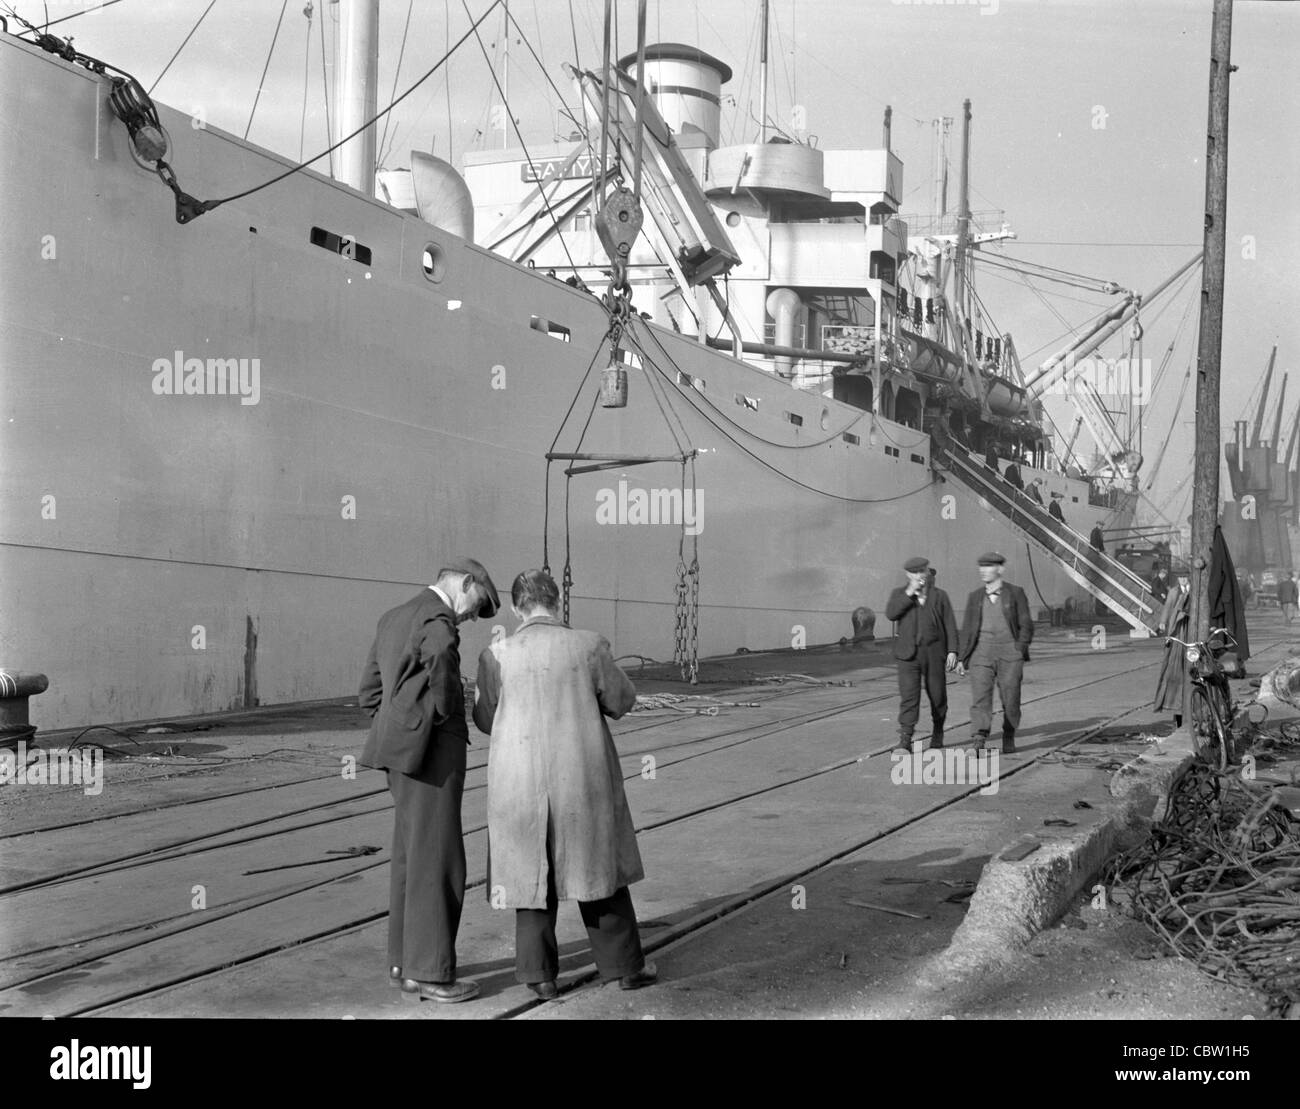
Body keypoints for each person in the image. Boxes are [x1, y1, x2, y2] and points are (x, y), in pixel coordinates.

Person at [472, 569, 657, 1000]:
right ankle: (623, 969)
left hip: (518, 785)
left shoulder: (495, 655)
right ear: (557, 603)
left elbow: (484, 720)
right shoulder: (588, 646)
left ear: (518, 609)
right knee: (600, 870)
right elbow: (621, 701)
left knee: (531, 877)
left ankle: (539, 976)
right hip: (582, 779)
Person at [358, 558, 500, 1004]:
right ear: (465, 583)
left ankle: (406, 965)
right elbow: (440, 653)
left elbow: (369, 692)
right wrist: (441, 714)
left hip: (398, 754)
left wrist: (398, 722)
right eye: (476, 606)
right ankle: (434, 973)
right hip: (433, 754)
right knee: (439, 858)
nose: (471, 617)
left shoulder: (392, 617)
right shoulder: (437, 620)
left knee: (409, 856)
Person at [956, 552, 1034, 754]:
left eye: (989, 566)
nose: (983, 570)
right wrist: (962, 657)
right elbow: (967, 629)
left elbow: (1025, 623)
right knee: (980, 696)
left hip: (1010, 652)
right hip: (981, 652)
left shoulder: (1015, 593)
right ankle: (979, 738)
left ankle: (1009, 733)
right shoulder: (975, 597)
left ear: (1000, 569)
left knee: (1011, 696)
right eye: (981, 566)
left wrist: (1020, 648)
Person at [884, 556, 958, 751]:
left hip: (934, 653)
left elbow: (950, 624)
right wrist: (910, 592)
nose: (920, 575)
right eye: (915, 572)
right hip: (908, 655)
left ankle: (938, 731)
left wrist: (952, 651)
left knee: (937, 695)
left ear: (927, 572)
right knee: (909, 696)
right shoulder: (899, 594)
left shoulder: (940, 596)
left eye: (922, 571)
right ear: (908, 574)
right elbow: (891, 614)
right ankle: (905, 739)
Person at [1154, 569, 1192, 731]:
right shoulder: (1173, 592)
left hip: (1191, 634)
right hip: (1177, 634)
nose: (1183, 580)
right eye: (1181, 578)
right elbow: (1168, 608)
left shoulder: (1196, 592)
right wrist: (1163, 622)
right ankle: (1176, 709)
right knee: (1175, 671)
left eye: (1185, 578)